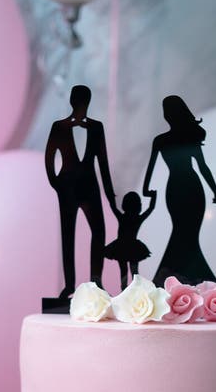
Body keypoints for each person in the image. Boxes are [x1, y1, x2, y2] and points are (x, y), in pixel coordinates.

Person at [42, 85, 116, 313]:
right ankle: (69, 286)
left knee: (99, 232)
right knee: (68, 236)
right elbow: (49, 156)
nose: (82, 105)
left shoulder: (96, 128)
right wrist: (55, 183)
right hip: (67, 188)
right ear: (74, 102)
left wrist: (110, 196)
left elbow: (103, 164)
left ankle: (96, 281)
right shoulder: (59, 127)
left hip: (90, 187)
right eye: (79, 101)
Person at [143, 95, 216, 286]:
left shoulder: (183, 138)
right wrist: (146, 188)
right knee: (181, 231)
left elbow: (203, 166)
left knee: (188, 233)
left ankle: (172, 278)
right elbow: (151, 167)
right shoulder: (162, 140)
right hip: (179, 189)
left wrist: (215, 191)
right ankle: (195, 280)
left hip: (189, 189)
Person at [105, 191, 157, 289]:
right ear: (138, 205)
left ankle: (125, 288)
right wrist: (154, 196)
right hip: (132, 247)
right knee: (134, 271)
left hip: (121, 246)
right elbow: (151, 208)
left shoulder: (122, 217)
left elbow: (113, 207)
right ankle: (133, 288)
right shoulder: (137, 218)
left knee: (124, 270)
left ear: (125, 204)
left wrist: (110, 196)